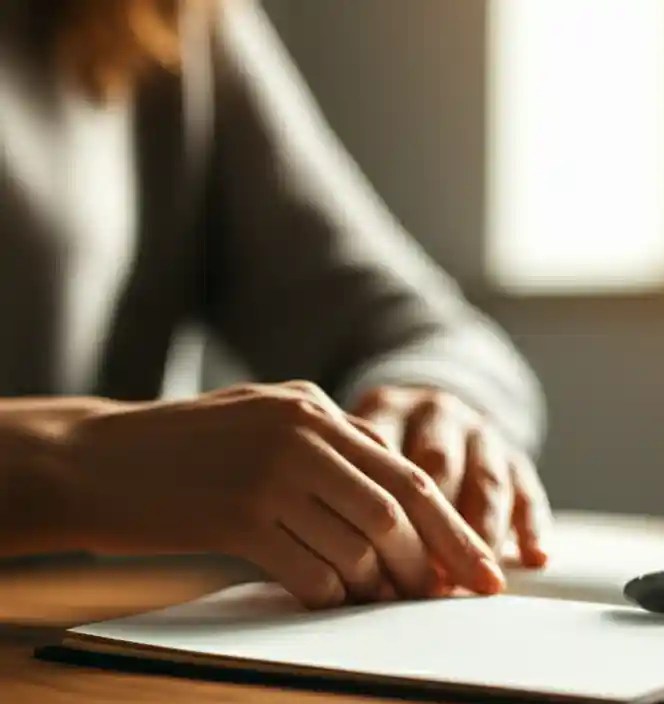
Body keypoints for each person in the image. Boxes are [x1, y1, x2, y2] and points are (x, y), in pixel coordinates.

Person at [0, 0, 551, 609]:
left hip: (93, 662)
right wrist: (78, 465)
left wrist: (433, 411)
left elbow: (428, 332)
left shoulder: (169, 18)